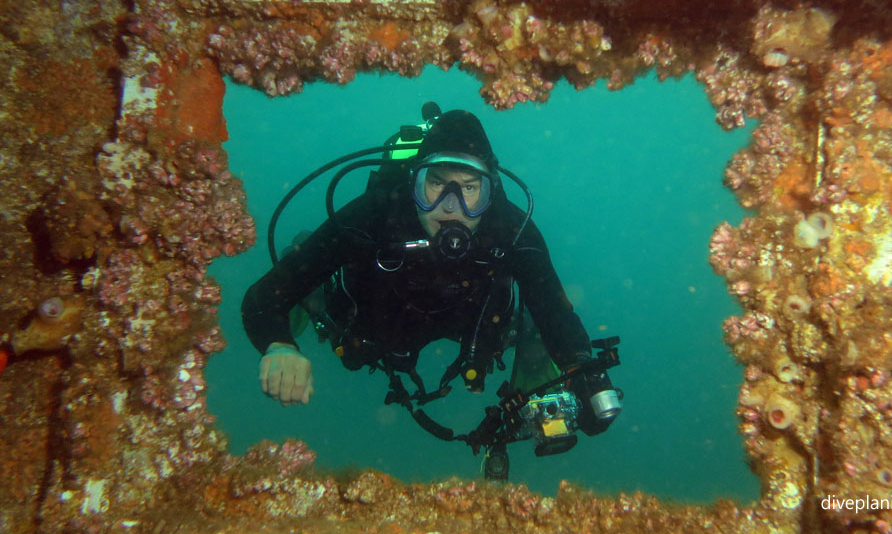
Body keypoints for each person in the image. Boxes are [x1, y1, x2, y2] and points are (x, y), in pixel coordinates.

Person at [242, 108, 616, 442]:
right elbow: (262, 298)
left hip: (473, 323)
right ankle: (311, 295)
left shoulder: (511, 229)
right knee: (316, 293)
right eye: (436, 183)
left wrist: (582, 370)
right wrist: (279, 345)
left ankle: (537, 366)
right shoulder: (373, 215)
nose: (450, 207)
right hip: (373, 322)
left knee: (535, 324)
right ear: (415, 183)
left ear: (490, 192)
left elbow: (555, 309)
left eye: (469, 188)